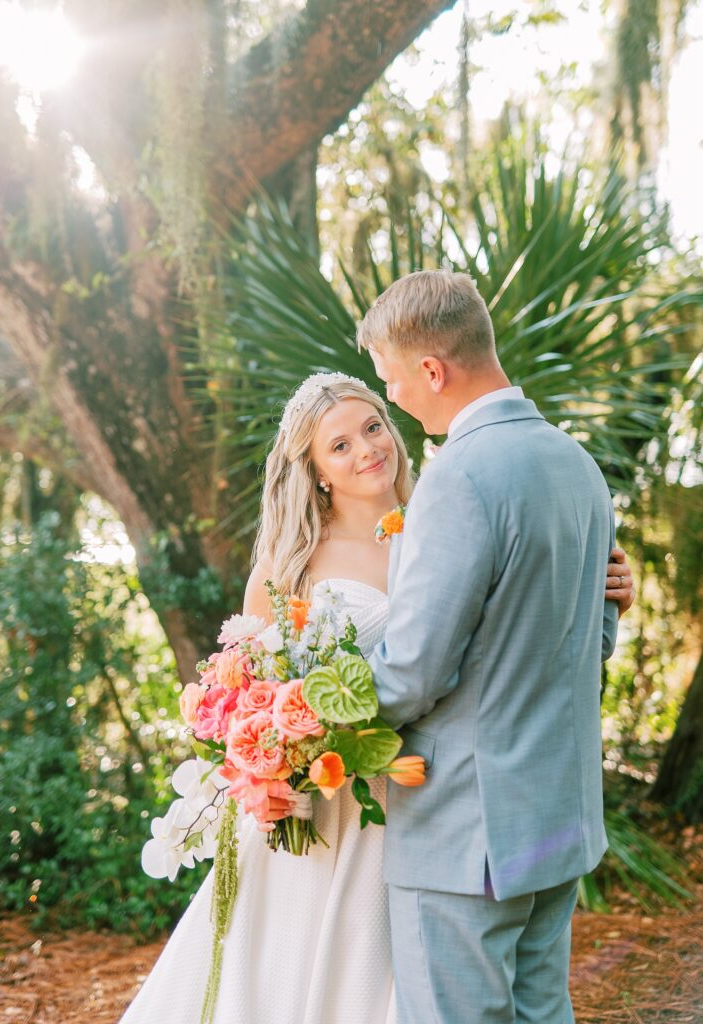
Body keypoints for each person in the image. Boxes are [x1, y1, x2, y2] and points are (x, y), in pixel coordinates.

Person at [118, 370, 634, 1024]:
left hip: (434, 799)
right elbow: (249, 702)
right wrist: (267, 772)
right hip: (327, 811)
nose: (366, 449)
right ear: (315, 471)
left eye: (371, 427)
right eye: (338, 445)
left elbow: (522, 639)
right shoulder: (289, 566)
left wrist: (602, 594)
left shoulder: (447, 522)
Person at [359, 269, 624, 1023]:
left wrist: (312, 725)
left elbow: (413, 668)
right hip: (556, 818)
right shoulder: (578, 468)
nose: (397, 400)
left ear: (432, 370)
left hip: (465, 831)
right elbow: (593, 638)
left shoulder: (458, 478)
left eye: (393, 381)